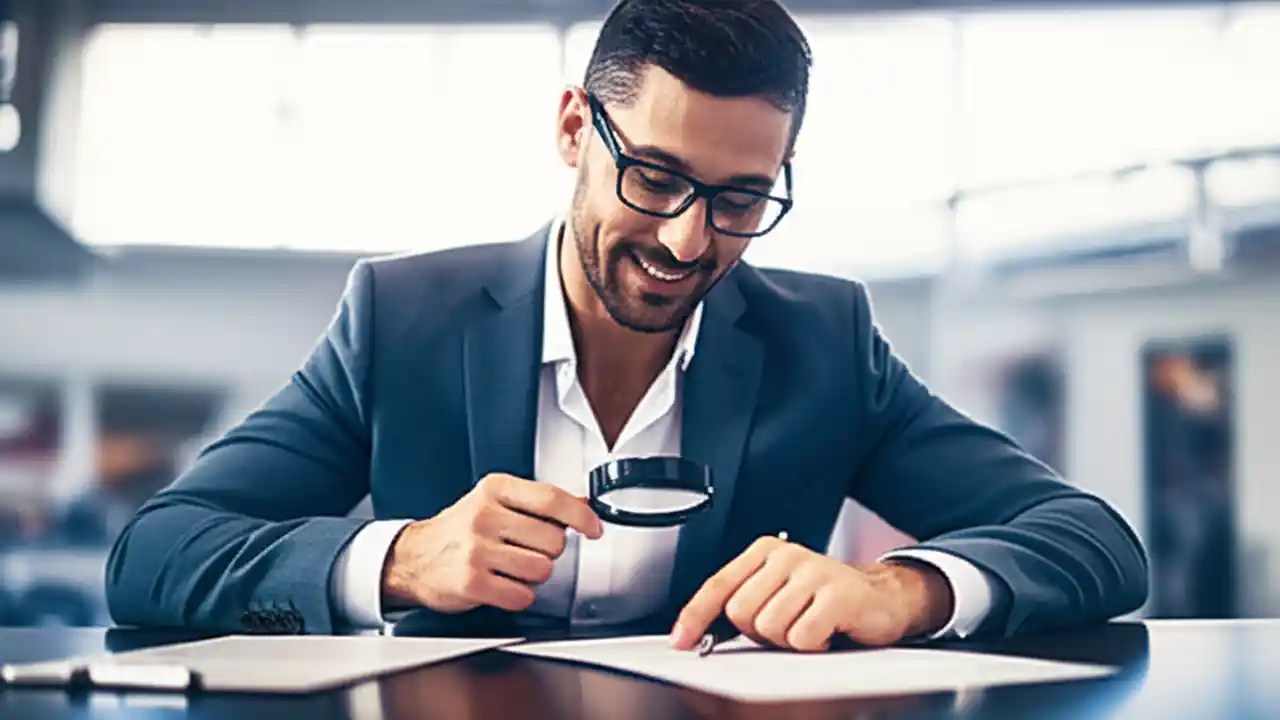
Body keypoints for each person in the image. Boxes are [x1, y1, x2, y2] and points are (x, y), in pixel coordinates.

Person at [105, 0, 1147, 650]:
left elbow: (1093, 542)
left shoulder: (824, 342)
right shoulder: (401, 321)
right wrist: (400, 559)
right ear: (574, 129)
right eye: (653, 176)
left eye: (741, 198)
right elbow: (156, 554)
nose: (688, 241)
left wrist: (902, 590)